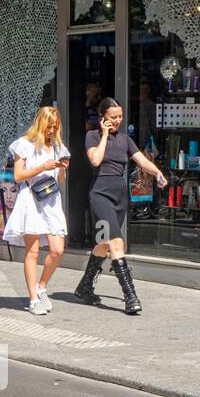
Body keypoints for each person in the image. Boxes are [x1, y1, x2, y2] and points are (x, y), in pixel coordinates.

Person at [74, 97, 167, 316]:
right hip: (100, 196)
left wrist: (157, 172)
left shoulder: (125, 140)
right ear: (102, 117)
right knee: (116, 242)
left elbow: (141, 161)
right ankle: (130, 296)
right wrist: (105, 135)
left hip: (120, 198)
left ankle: (84, 287)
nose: (117, 121)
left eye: (120, 117)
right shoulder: (92, 136)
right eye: (113, 117)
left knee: (103, 244)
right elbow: (95, 160)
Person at [3, 106, 69, 315]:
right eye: (48, 126)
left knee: (57, 249)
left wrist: (61, 170)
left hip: (51, 199)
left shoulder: (58, 147)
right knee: (31, 251)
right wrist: (43, 167)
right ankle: (33, 298)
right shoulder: (24, 145)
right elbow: (18, 176)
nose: (51, 131)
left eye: (55, 127)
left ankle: (42, 287)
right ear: (40, 124)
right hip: (31, 199)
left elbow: (61, 180)